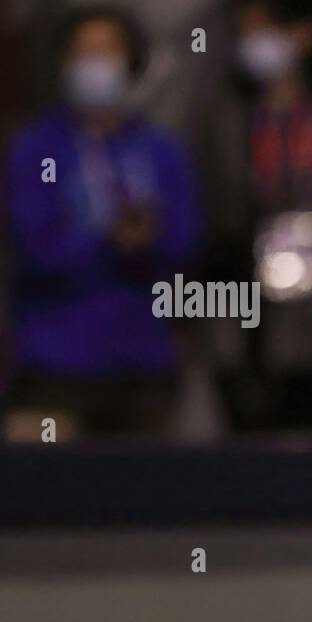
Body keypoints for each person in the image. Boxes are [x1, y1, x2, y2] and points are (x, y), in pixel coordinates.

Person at [4, 3, 201, 440]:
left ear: (131, 63)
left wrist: (148, 241)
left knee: (142, 501)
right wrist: (106, 242)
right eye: (83, 54)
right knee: (46, 500)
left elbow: (185, 244)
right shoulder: (37, 150)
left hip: (144, 363)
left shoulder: (159, 150)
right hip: (55, 362)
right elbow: (34, 248)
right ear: (62, 64)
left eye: (107, 52)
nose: (96, 66)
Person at [202, 0, 312, 433]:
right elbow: (207, 212)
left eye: (267, 29)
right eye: (246, 31)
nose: (255, 43)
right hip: (236, 313)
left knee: (300, 452)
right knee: (239, 454)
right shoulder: (224, 117)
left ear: (306, 33)